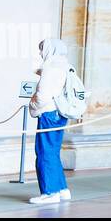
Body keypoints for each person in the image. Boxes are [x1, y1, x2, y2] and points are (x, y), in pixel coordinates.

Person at [29, 38, 73, 205]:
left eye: (42, 49)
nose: (40, 52)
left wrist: (32, 105)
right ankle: (61, 189)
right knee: (52, 151)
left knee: (44, 152)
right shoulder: (65, 65)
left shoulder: (50, 66)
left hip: (48, 112)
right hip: (60, 113)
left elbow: (42, 95)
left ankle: (50, 192)